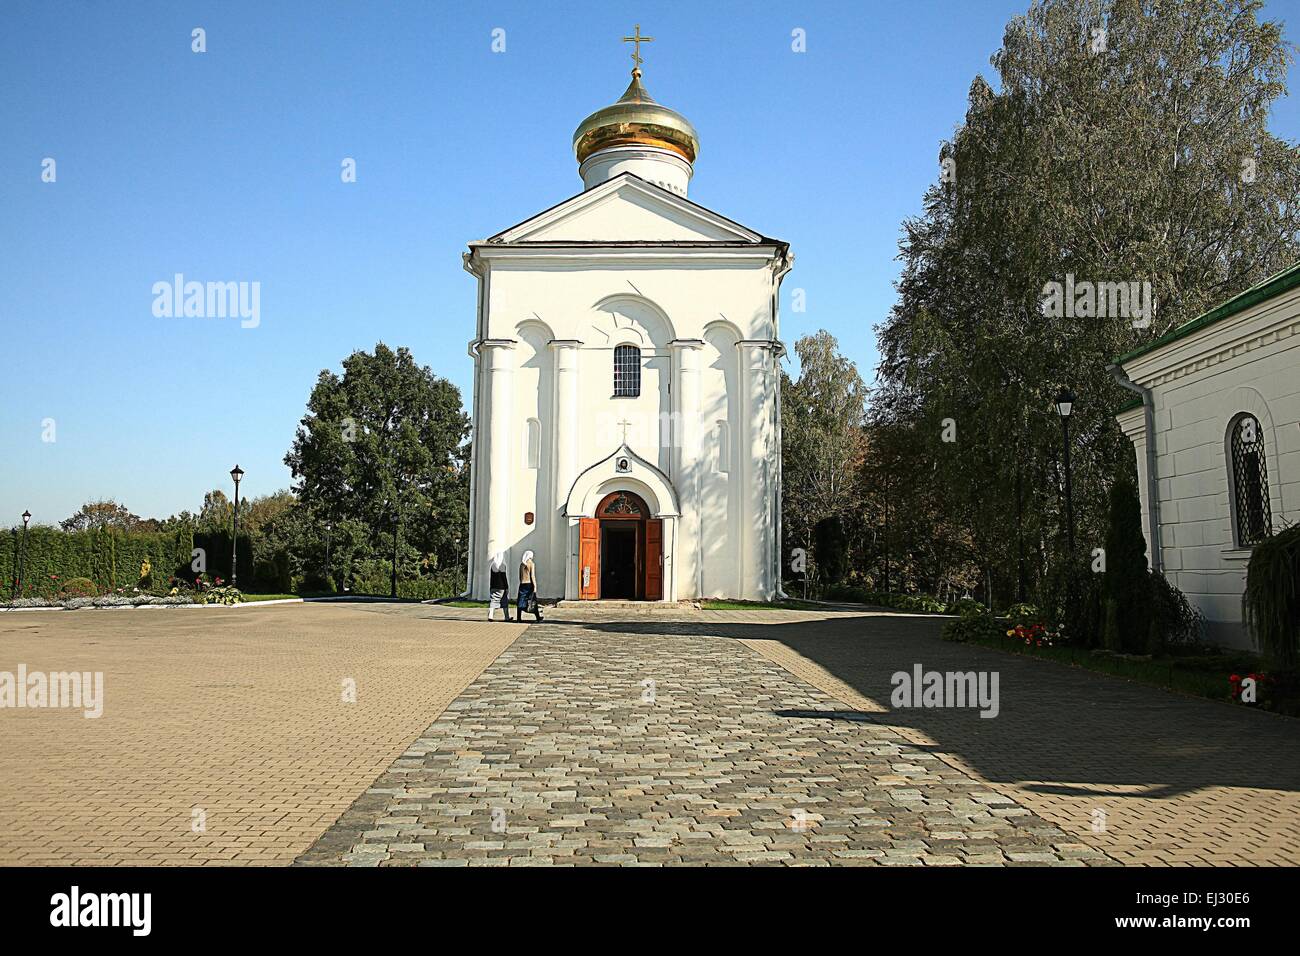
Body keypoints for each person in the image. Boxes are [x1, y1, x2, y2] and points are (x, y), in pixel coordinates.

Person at [517, 550, 544, 622]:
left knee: (520, 601)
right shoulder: (531, 563)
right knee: (532, 601)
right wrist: (535, 586)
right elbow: (532, 576)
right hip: (529, 584)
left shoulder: (522, 564)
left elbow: (520, 576)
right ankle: (538, 618)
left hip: (522, 584)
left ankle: (519, 618)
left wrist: (521, 582)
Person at [487, 552, 511, 621]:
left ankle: (490, 615)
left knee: (493, 601)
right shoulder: (502, 565)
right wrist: (506, 587)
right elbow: (504, 578)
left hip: (494, 586)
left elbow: (491, 577)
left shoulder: (492, 565)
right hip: (502, 587)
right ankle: (507, 617)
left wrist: (491, 586)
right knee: (504, 601)